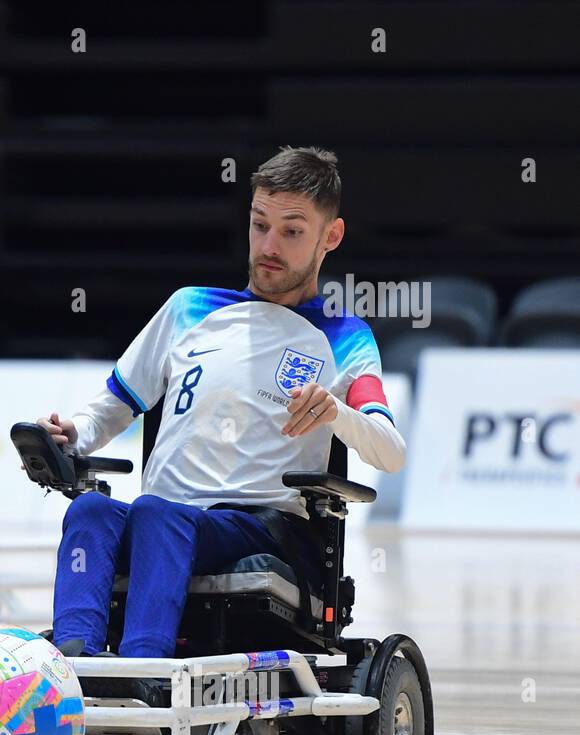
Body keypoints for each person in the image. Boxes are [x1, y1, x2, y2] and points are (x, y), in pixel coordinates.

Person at [38, 146, 405, 672]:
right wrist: (72, 433)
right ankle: (70, 666)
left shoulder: (343, 337)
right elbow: (111, 408)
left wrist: (335, 413)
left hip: (260, 525)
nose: (269, 246)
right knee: (91, 510)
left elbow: (390, 452)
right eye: (260, 225)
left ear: (332, 236)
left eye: (292, 231)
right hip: (162, 520)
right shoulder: (189, 307)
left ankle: (146, 675)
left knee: (153, 512)